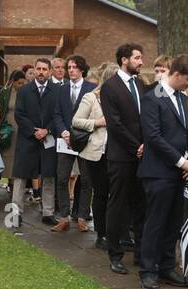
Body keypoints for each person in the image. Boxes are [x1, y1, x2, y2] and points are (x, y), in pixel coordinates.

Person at [137, 54, 188, 289]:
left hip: (180, 174)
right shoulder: (152, 98)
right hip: (158, 172)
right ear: (176, 74)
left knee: (173, 222)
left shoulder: (184, 99)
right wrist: (181, 162)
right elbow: (153, 136)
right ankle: (148, 270)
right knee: (155, 223)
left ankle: (166, 266)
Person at [101, 43, 148, 274]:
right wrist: (135, 146)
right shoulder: (110, 87)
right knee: (118, 205)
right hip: (121, 156)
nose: (141, 62)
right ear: (124, 60)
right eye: (137, 58)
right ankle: (115, 254)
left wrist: (145, 146)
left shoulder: (140, 84)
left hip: (142, 156)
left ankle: (141, 252)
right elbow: (115, 123)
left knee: (141, 205)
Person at [12, 58, 62, 225]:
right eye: (38, 69)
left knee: (49, 176)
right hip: (28, 139)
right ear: (34, 70)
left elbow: (59, 114)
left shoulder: (57, 91)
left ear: (50, 71)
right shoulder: (24, 91)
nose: (41, 72)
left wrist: (47, 130)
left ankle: (48, 212)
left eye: (44, 69)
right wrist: (34, 132)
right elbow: (19, 114)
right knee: (21, 176)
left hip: (48, 139)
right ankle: (16, 212)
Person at [71, 62, 114, 249]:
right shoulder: (91, 97)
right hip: (96, 152)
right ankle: (101, 234)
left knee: (116, 195)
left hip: (117, 152)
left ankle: (116, 233)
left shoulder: (120, 99)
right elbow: (76, 121)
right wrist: (97, 122)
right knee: (101, 193)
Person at [52, 55, 93, 233]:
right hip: (65, 140)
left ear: (82, 69)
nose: (70, 70)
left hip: (84, 140)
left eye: (74, 67)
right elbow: (57, 114)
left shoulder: (91, 88)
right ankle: (64, 217)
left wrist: (81, 134)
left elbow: (94, 113)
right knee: (62, 178)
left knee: (86, 180)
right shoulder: (62, 89)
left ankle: (82, 217)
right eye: (69, 67)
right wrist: (64, 132)